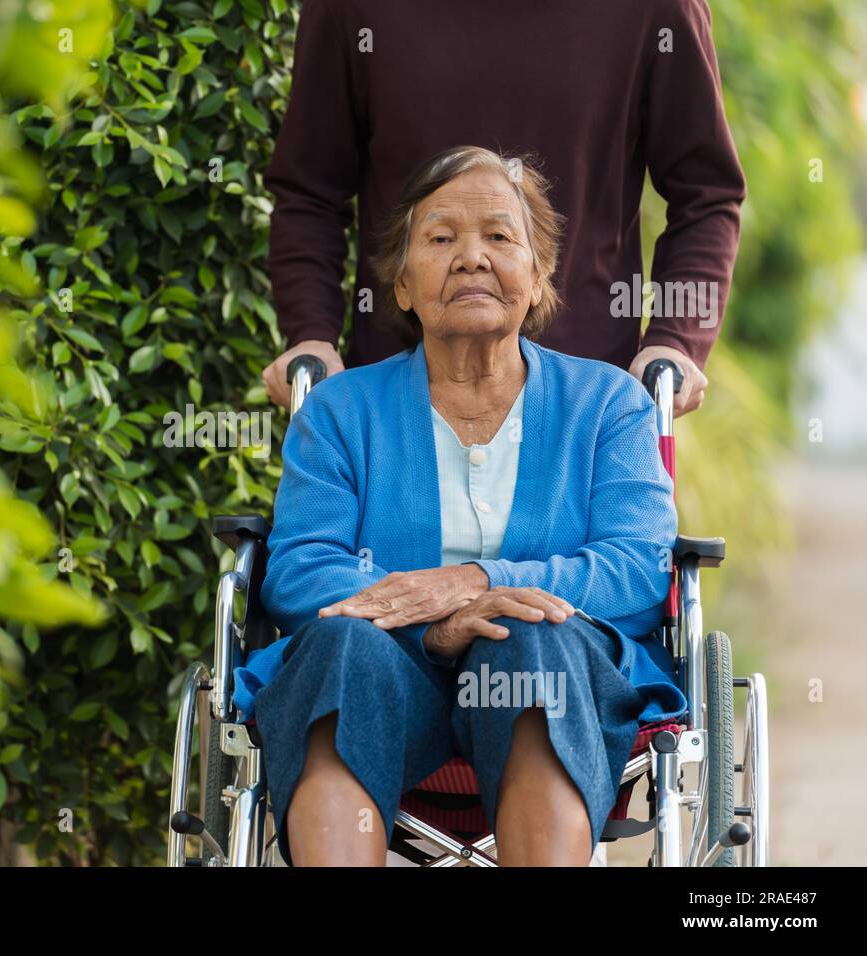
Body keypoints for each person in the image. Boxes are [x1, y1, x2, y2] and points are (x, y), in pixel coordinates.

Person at [232, 147, 689, 866]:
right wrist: (438, 626)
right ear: (404, 285)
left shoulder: (608, 407)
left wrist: (483, 586)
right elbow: (301, 575)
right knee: (342, 649)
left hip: (552, 686)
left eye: (500, 237)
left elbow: (636, 570)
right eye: (441, 238)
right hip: (385, 684)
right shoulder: (342, 413)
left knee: (533, 633)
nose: (471, 257)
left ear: (537, 278)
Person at [260, 0, 745, 418]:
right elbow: (309, 191)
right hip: (394, 410)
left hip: (588, 410)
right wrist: (312, 333)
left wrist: (675, 339)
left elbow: (705, 193)